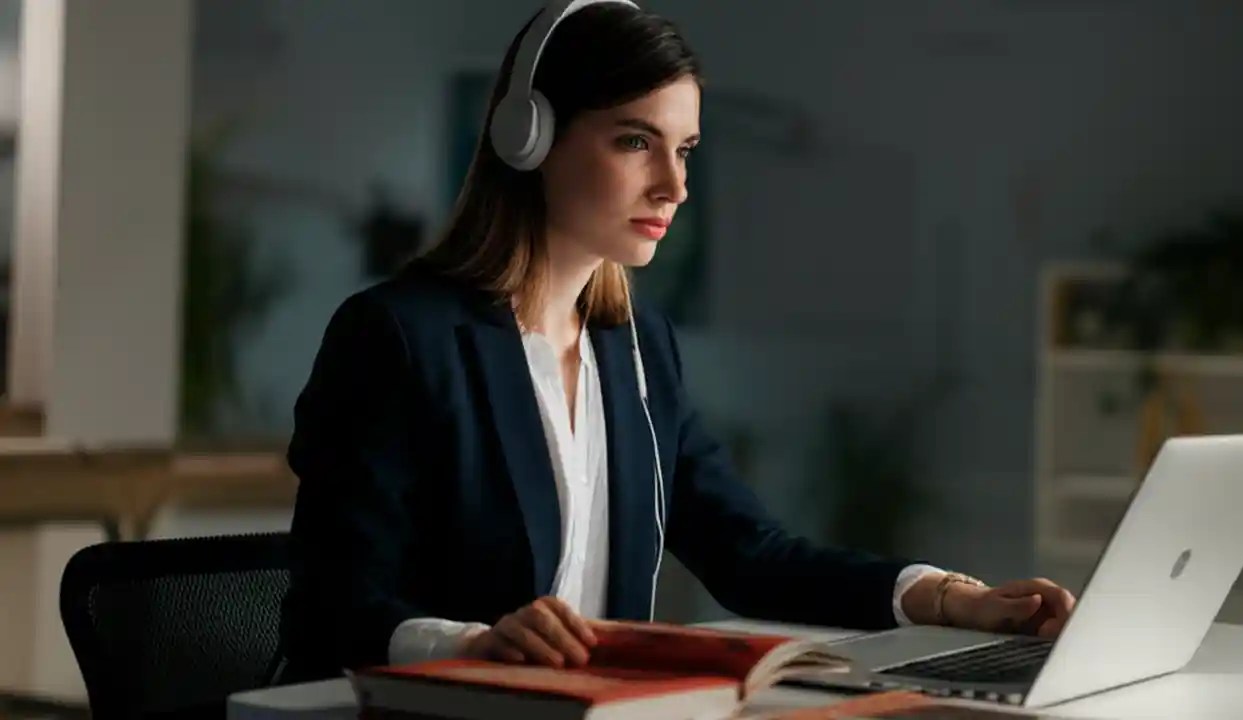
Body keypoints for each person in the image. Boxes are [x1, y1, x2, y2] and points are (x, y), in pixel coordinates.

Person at [276, 0, 1075, 684]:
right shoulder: (398, 337)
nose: (675, 185)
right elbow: (330, 607)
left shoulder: (636, 348)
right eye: (635, 142)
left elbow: (748, 552)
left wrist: (950, 599)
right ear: (531, 138)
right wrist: (471, 645)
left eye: (684, 149)